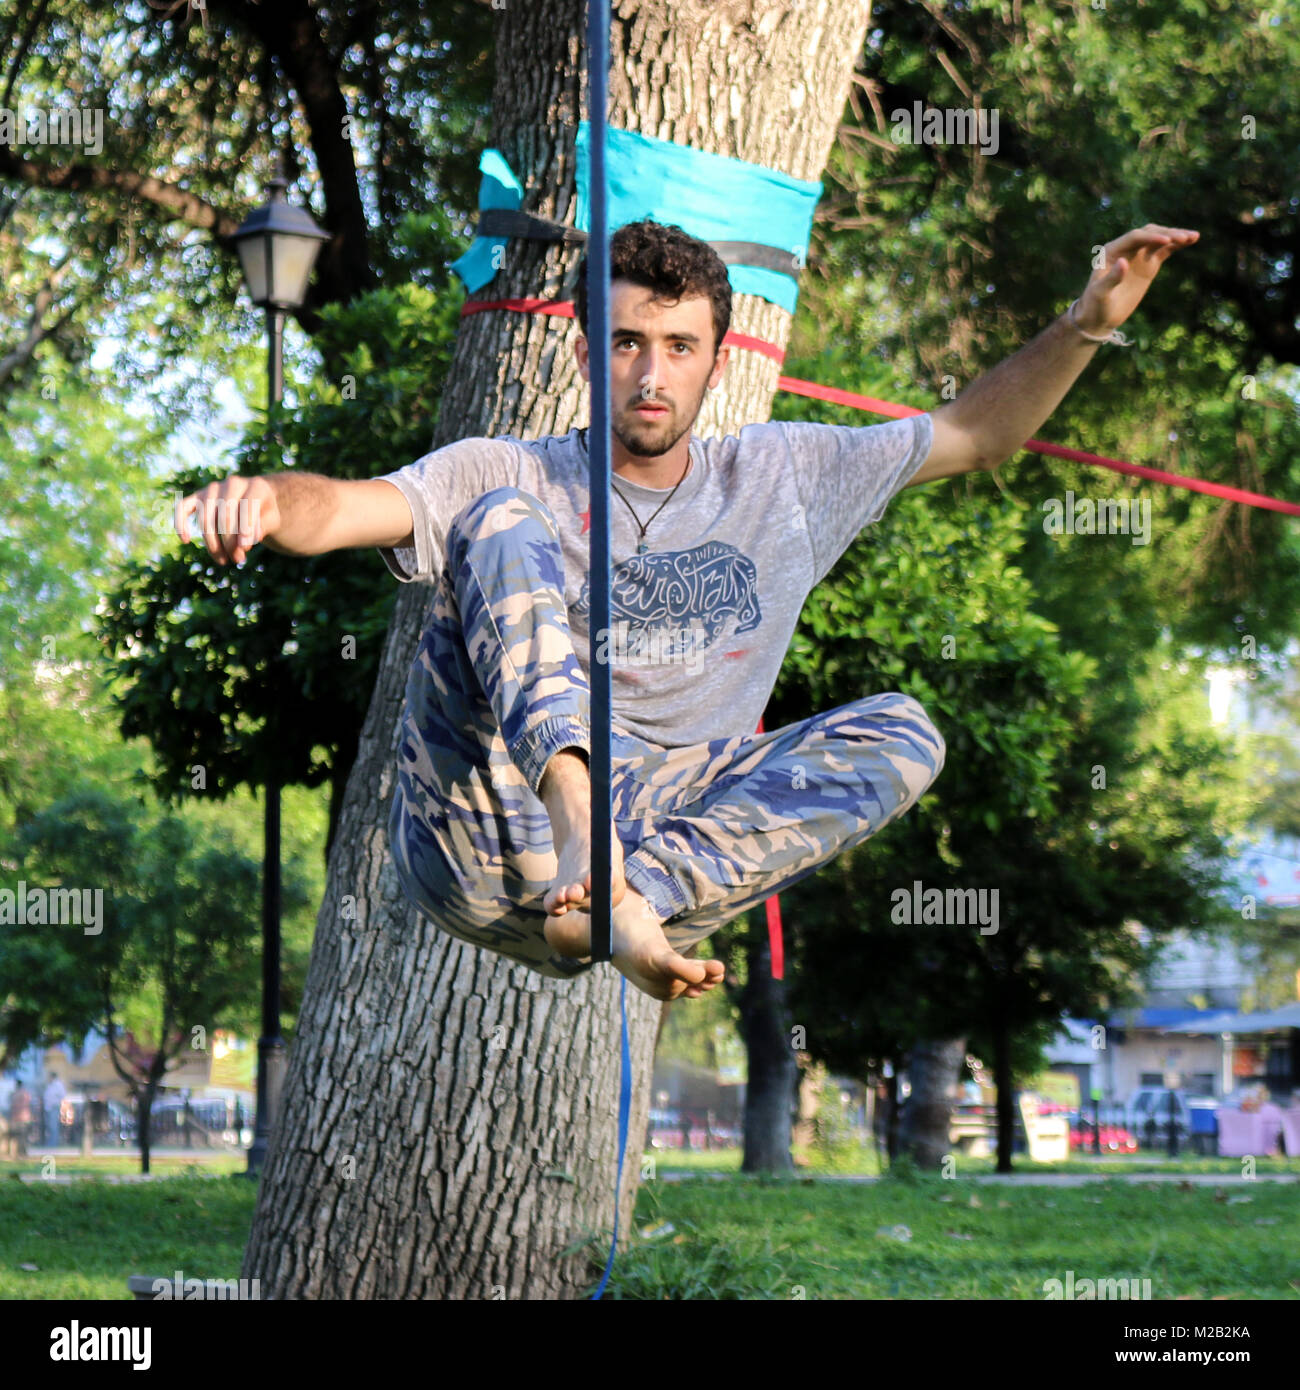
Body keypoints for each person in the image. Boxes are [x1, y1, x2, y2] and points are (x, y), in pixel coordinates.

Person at [177, 218, 1196, 1003]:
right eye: (624, 343)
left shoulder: (784, 474)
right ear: (584, 352)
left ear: (720, 358)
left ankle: (626, 904)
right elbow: (343, 509)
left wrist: (1086, 324)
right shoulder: (504, 465)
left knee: (903, 730)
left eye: (677, 345)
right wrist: (270, 500)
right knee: (497, 519)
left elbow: (973, 434)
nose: (651, 373)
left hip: (651, 850)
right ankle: (589, 848)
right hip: (486, 827)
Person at [43, 1072, 66, 1148]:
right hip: (48, 1108)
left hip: (54, 1107)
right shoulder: (50, 1085)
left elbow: (62, 1095)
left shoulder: (58, 1085)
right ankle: (51, 1142)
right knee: (50, 1126)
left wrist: (55, 1101)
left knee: (53, 1126)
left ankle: (54, 1143)